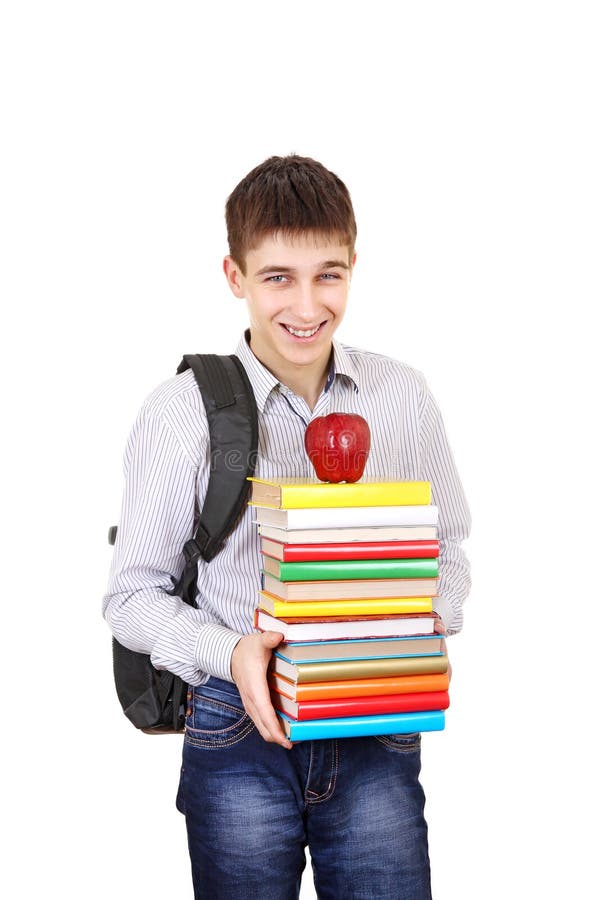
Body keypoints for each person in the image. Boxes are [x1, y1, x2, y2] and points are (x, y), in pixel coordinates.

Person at [103, 154, 471, 900]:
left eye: (328, 274)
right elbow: (130, 596)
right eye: (278, 277)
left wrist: (425, 620)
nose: (307, 305)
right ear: (235, 275)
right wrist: (231, 651)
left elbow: (450, 544)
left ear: (354, 266)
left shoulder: (402, 396)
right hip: (236, 722)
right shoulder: (180, 414)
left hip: (373, 715)